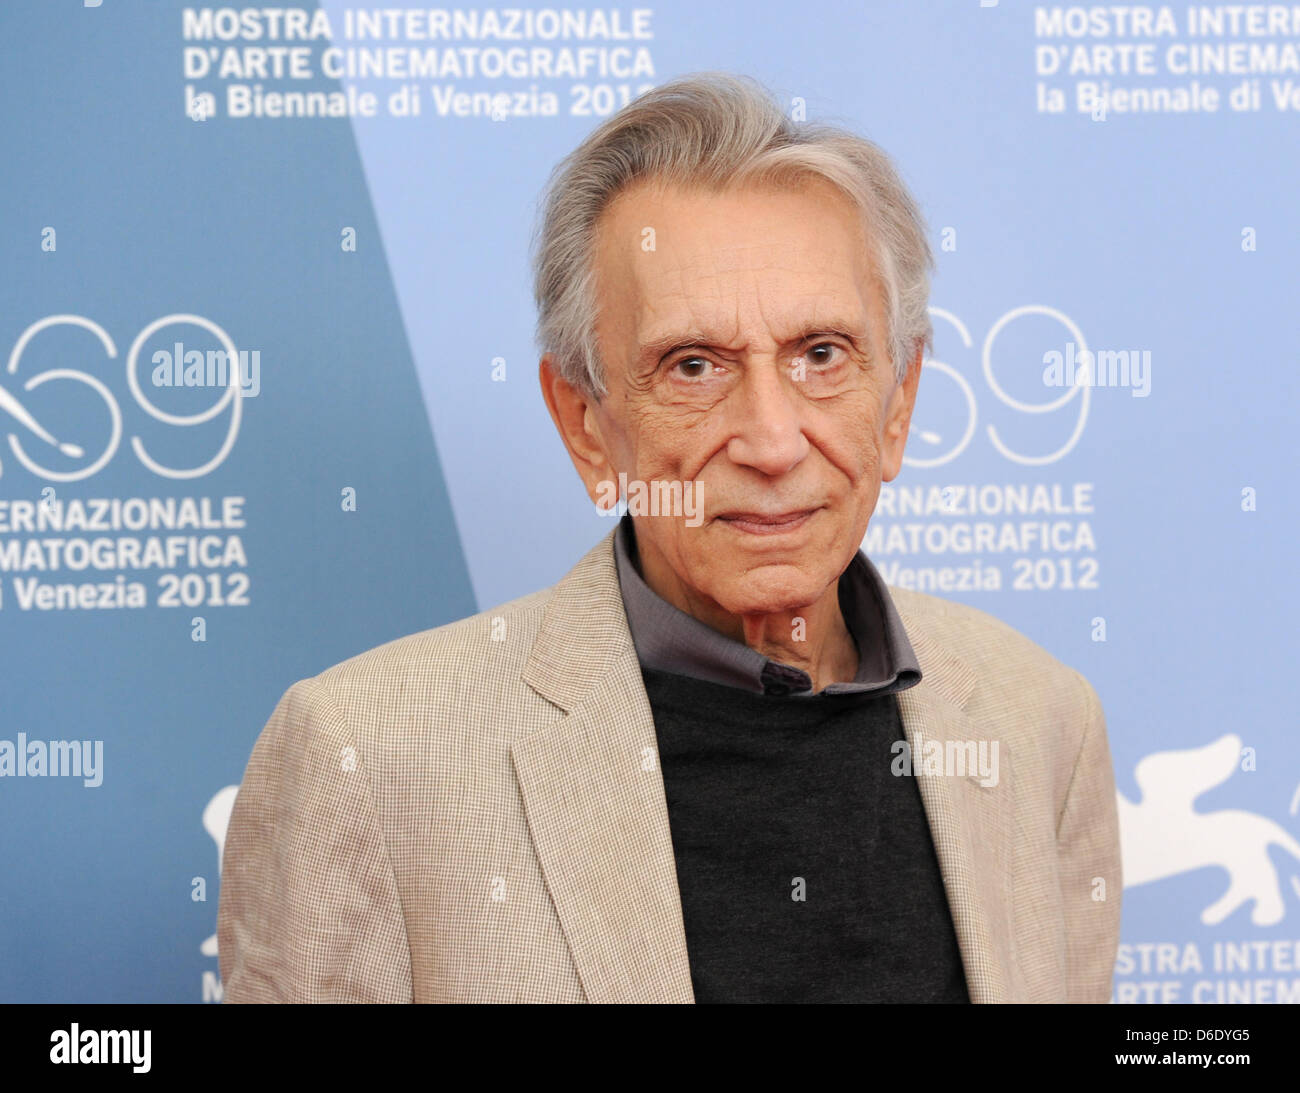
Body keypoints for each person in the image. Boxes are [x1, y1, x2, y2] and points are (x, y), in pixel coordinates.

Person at [218, 71, 1121, 1003]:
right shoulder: (367, 758)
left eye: (822, 355)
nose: (772, 441)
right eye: (693, 365)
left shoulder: (1040, 720)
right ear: (584, 424)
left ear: (899, 405)